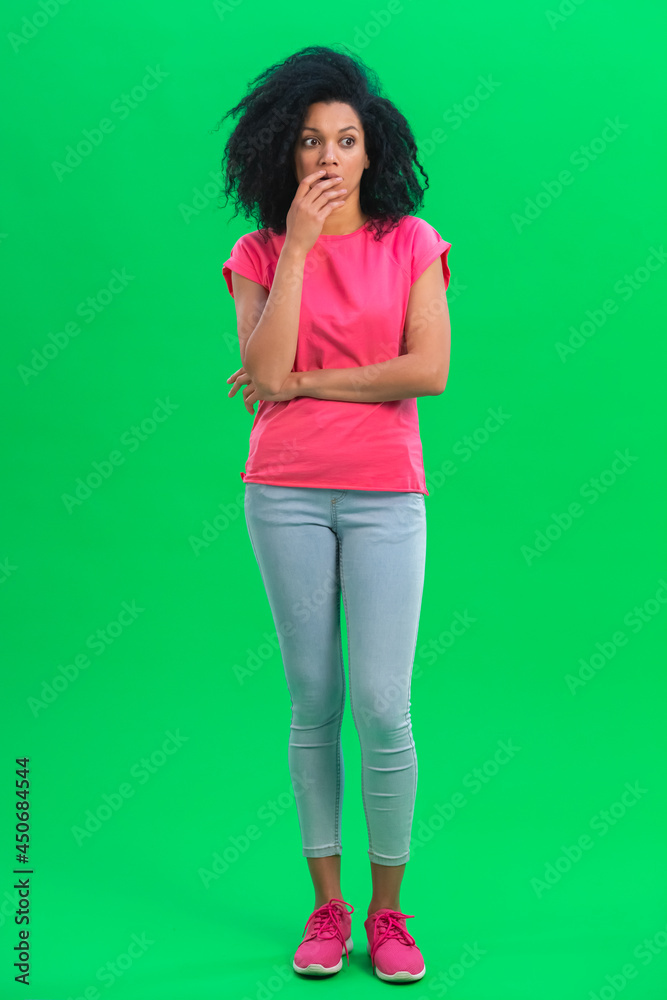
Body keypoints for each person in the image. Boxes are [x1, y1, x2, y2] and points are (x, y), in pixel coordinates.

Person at [217, 44, 451, 983]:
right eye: (311, 141)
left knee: (382, 708)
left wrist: (308, 382)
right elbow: (262, 374)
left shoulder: (412, 243)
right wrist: (302, 250)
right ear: (284, 151)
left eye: (345, 140)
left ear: (372, 150)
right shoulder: (259, 254)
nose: (327, 157)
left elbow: (425, 371)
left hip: (388, 494)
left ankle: (389, 915)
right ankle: (326, 909)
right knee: (312, 703)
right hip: (283, 493)